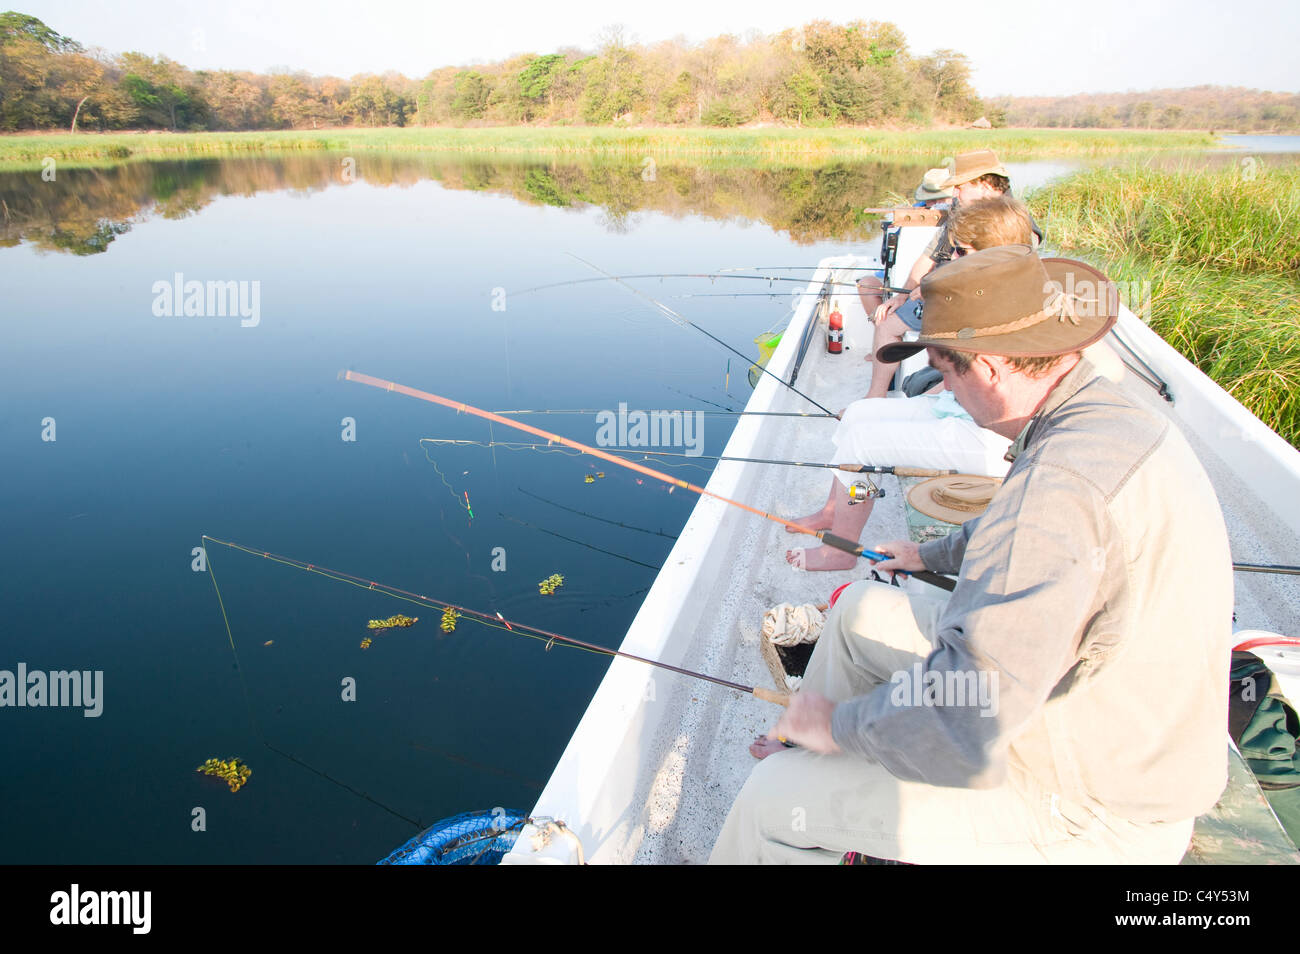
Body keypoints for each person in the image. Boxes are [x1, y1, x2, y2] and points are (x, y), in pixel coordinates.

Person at [712, 245, 1234, 864]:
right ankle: (819, 776)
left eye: (946, 373)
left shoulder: (1059, 491)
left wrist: (836, 726)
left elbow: (965, 720)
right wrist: (929, 553)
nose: (948, 393)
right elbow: (1020, 535)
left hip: (1097, 805)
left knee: (771, 799)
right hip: (1099, 713)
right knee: (857, 612)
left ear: (986, 368)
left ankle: (805, 786)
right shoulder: (1099, 410)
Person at [786, 196, 1036, 572]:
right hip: (960, 410)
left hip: (995, 440)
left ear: (993, 253)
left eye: (961, 251)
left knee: (863, 445)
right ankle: (833, 512)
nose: (950, 258)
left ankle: (842, 551)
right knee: (858, 415)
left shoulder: (1009, 301)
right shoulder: (987, 290)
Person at [865, 149, 1043, 399]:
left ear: (984, 183)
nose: (954, 193)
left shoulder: (1016, 222)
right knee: (887, 323)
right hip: (941, 295)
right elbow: (930, 256)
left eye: (959, 186)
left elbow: (1000, 283)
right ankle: (876, 395)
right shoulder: (962, 208)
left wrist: (938, 287)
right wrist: (904, 294)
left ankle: (931, 397)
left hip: (975, 309)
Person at [857, 168, 954, 315]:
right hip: (903, 276)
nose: (936, 204)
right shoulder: (913, 213)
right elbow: (892, 257)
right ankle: (883, 326)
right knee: (866, 285)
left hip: (936, 282)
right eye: (932, 199)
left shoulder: (961, 217)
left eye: (941, 199)